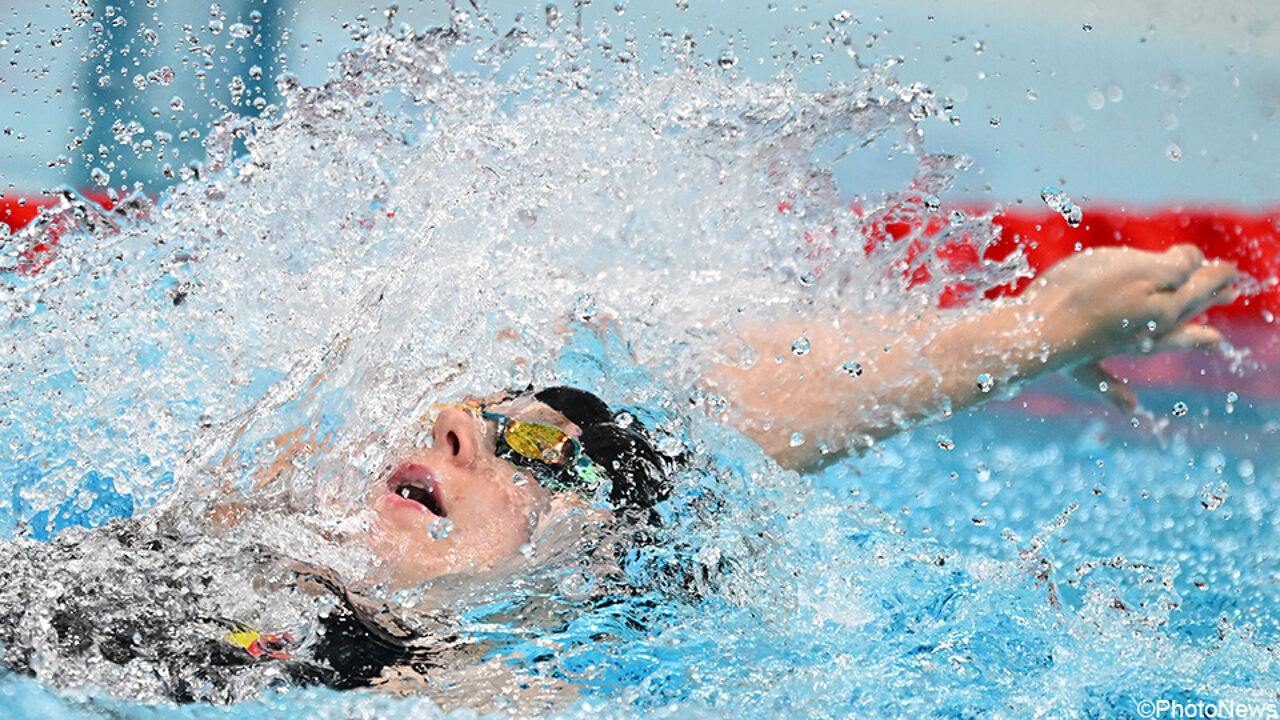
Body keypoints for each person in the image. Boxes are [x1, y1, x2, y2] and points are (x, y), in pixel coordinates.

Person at [0, 244, 1238, 704]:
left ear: (584, 576)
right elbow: (716, 437)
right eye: (479, 412)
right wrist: (1020, 331)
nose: (456, 427)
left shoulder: (445, 685)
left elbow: (680, 469)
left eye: (534, 450)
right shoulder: (272, 520)